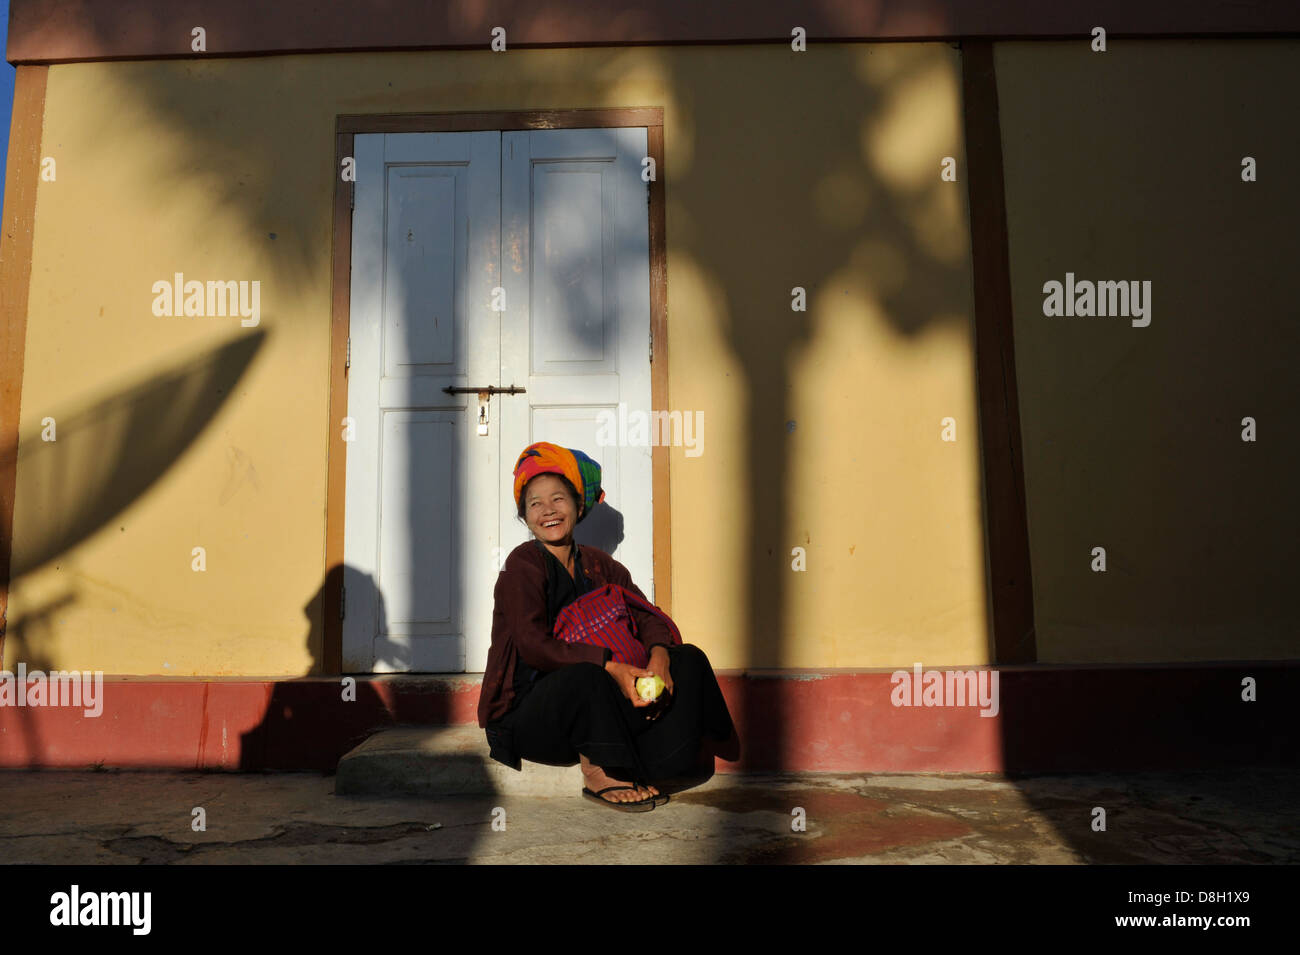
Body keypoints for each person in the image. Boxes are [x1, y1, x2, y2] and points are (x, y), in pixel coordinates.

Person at [477, 441, 737, 811]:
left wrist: (660, 659)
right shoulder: (523, 565)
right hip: (534, 714)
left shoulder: (600, 565)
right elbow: (533, 645)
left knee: (688, 658)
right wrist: (612, 667)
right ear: (525, 516)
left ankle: (657, 758)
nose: (548, 511)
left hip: (606, 705)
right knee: (588, 674)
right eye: (535, 503)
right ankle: (602, 771)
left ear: (578, 506)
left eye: (558, 499)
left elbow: (646, 615)